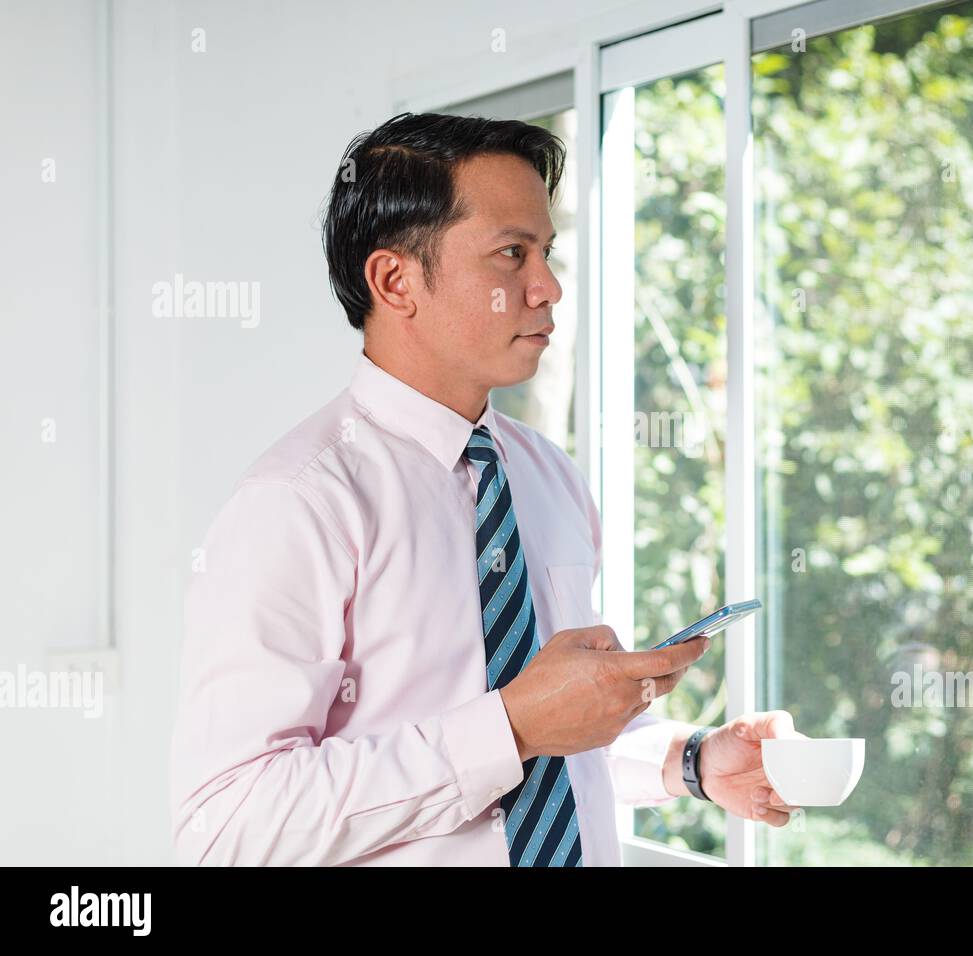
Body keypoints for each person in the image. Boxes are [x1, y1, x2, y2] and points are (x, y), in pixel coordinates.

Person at [168, 112, 801, 867]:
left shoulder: (546, 475)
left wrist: (689, 760)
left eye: (546, 251)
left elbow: (552, 743)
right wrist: (510, 727)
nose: (549, 286)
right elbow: (230, 826)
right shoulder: (298, 503)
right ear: (394, 280)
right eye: (512, 253)